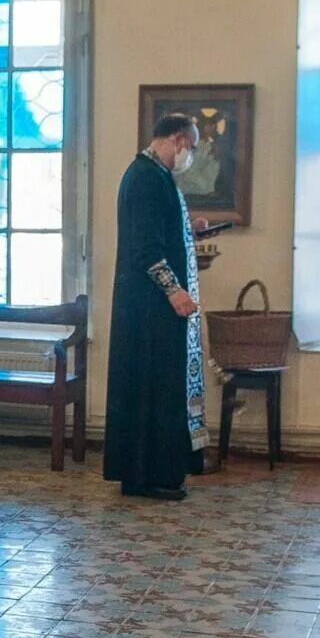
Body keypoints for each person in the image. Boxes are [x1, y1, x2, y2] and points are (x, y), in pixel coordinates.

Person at [105, 113, 209, 501]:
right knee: (149, 390)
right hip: (147, 308)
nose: (191, 155)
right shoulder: (146, 178)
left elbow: (163, 234)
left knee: (161, 389)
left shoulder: (156, 176)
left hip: (154, 309)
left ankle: (161, 472)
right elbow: (146, 248)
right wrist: (175, 292)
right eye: (192, 147)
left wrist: (190, 230)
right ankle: (143, 476)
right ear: (179, 139)